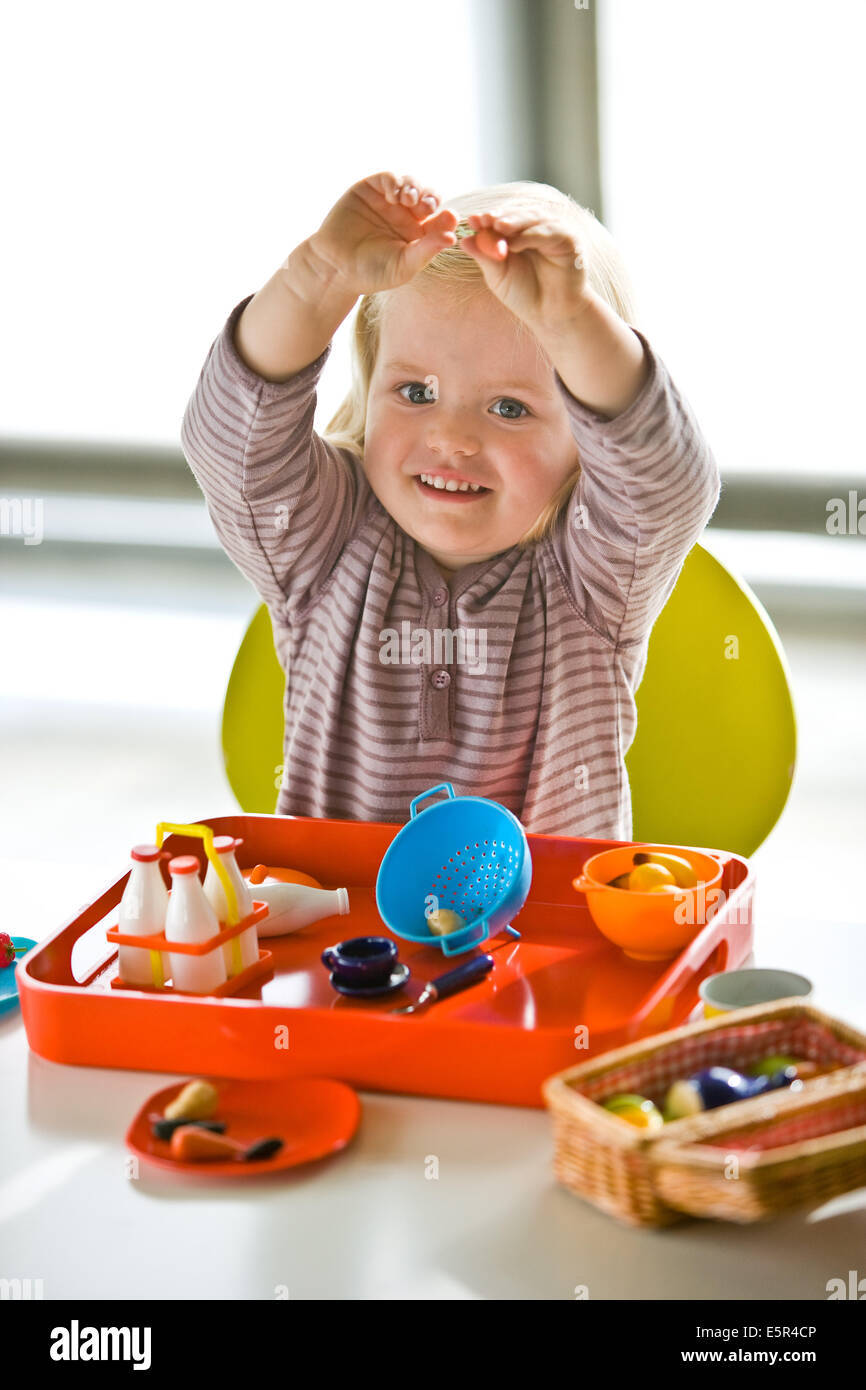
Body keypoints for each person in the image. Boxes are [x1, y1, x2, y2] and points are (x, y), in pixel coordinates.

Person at [180, 171, 720, 837]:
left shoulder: (595, 575)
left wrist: (573, 322)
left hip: (548, 933)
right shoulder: (322, 544)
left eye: (509, 407)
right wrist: (317, 276)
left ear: (588, 440)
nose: (452, 438)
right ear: (372, 385)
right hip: (337, 930)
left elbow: (664, 486)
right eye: (415, 393)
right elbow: (232, 446)